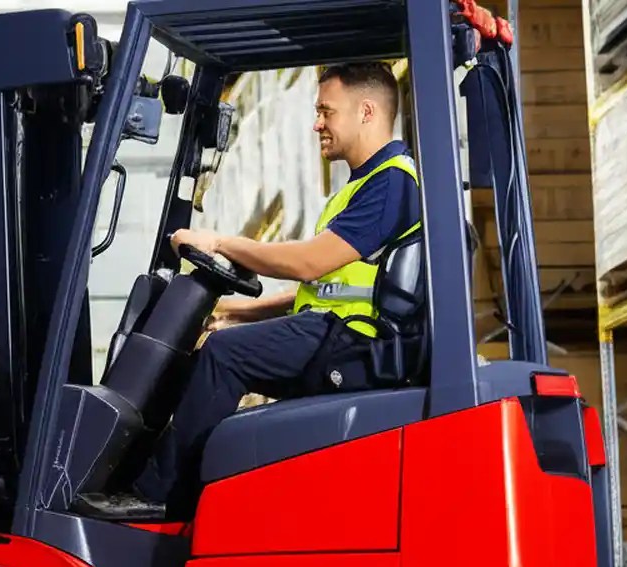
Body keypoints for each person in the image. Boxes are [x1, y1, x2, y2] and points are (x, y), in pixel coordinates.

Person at [79, 61, 423, 518]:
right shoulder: (367, 183)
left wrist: (220, 242)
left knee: (225, 357)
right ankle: (136, 477)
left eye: (326, 111)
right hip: (343, 334)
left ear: (365, 111)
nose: (317, 123)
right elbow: (331, 288)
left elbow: (307, 264)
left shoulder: (391, 182)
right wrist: (240, 312)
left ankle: (156, 498)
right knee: (207, 356)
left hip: (356, 347)